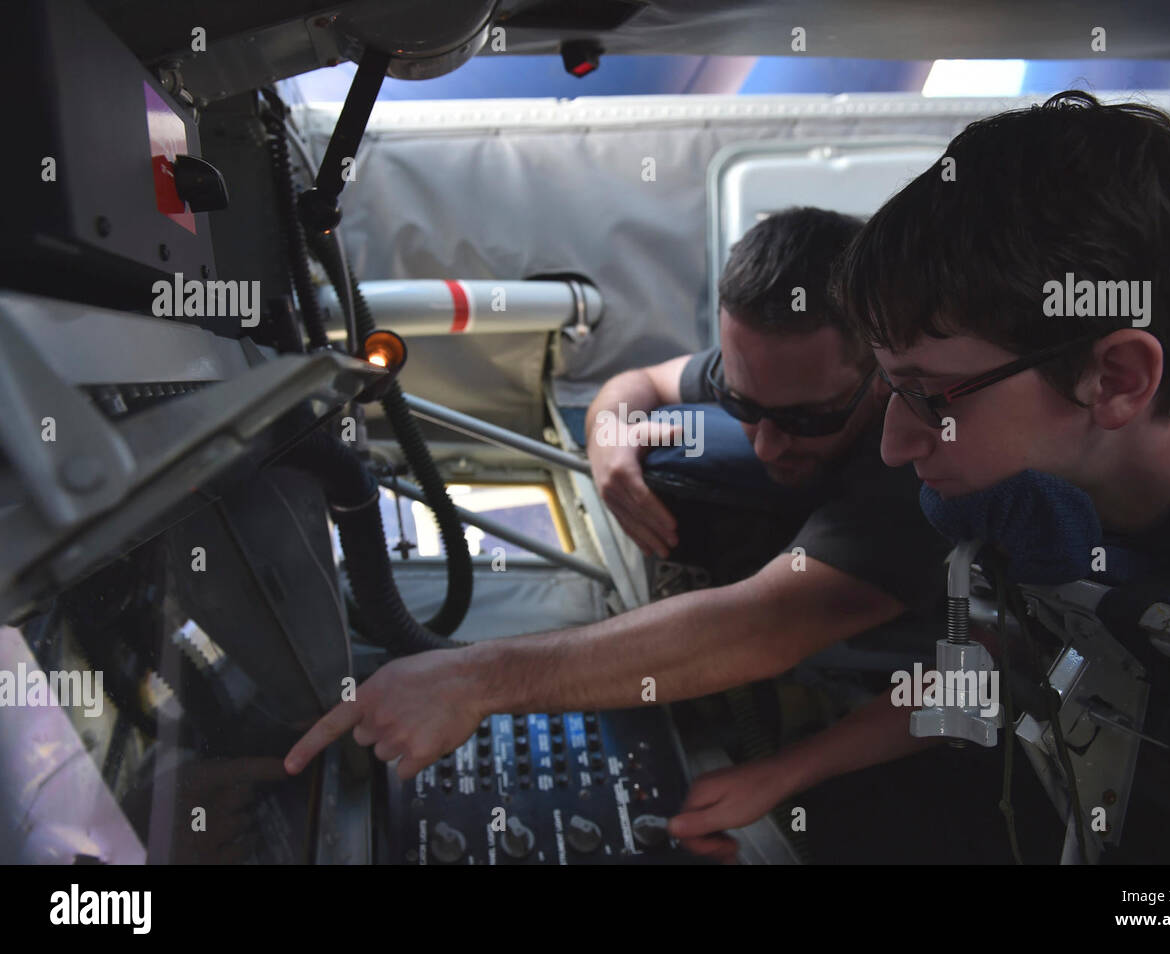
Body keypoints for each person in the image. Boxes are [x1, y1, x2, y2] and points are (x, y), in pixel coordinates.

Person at [668, 90, 1170, 862]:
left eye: (929, 396)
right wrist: (784, 774)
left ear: (1117, 378)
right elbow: (1001, 664)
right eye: (890, 390)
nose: (897, 445)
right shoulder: (1041, 502)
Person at [283, 207, 951, 782]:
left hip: (943, 661)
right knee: (666, 443)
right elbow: (642, 382)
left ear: (885, 370)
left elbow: (759, 628)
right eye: (745, 405)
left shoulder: (922, 470)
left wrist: (476, 681)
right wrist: (608, 441)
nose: (767, 444)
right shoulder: (783, 369)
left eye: (809, 419)